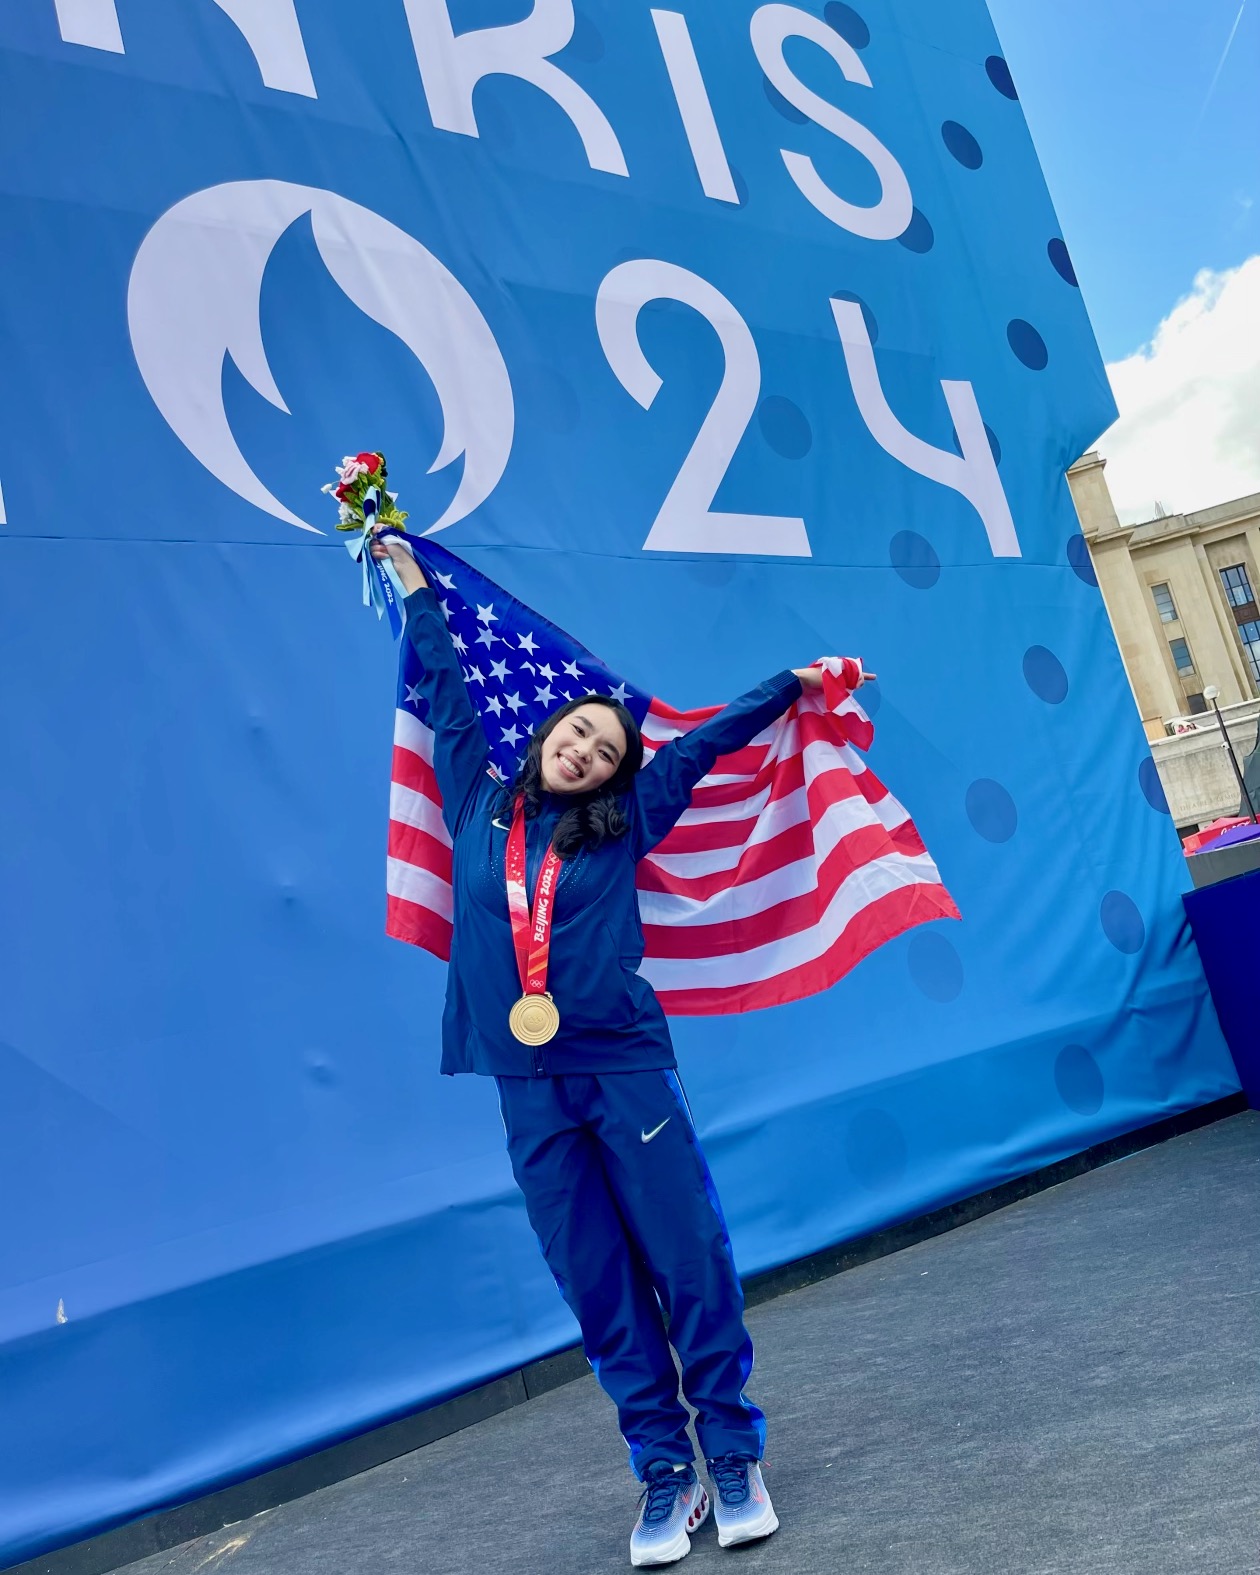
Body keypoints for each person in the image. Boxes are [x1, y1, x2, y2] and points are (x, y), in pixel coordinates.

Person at [373, 529, 833, 1566]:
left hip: (627, 1070)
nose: (585, 751)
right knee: (595, 1280)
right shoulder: (477, 799)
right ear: (543, 736)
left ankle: (732, 1451)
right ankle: (665, 1474)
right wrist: (410, 579)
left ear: (619, 770)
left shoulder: (628, 818)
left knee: (686, 1259)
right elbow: (446, 681)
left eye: (605, 748)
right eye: (575, 735)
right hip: (524, 1083)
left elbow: (705, 745)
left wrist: (786, 685)